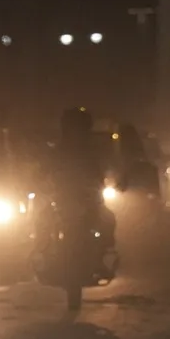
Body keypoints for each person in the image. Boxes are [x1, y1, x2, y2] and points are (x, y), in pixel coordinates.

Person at [39, 107, 117, 253]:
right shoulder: (57, 152)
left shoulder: (94, 151)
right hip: (62, 199)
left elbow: (108, 169)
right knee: (41, 220)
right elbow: (42, 172)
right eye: (73, 127)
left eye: (79, 127)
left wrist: (114, 181)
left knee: (108, 218)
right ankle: (40, 254)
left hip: (89, 199)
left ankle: (107, 253)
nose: (76, 132)